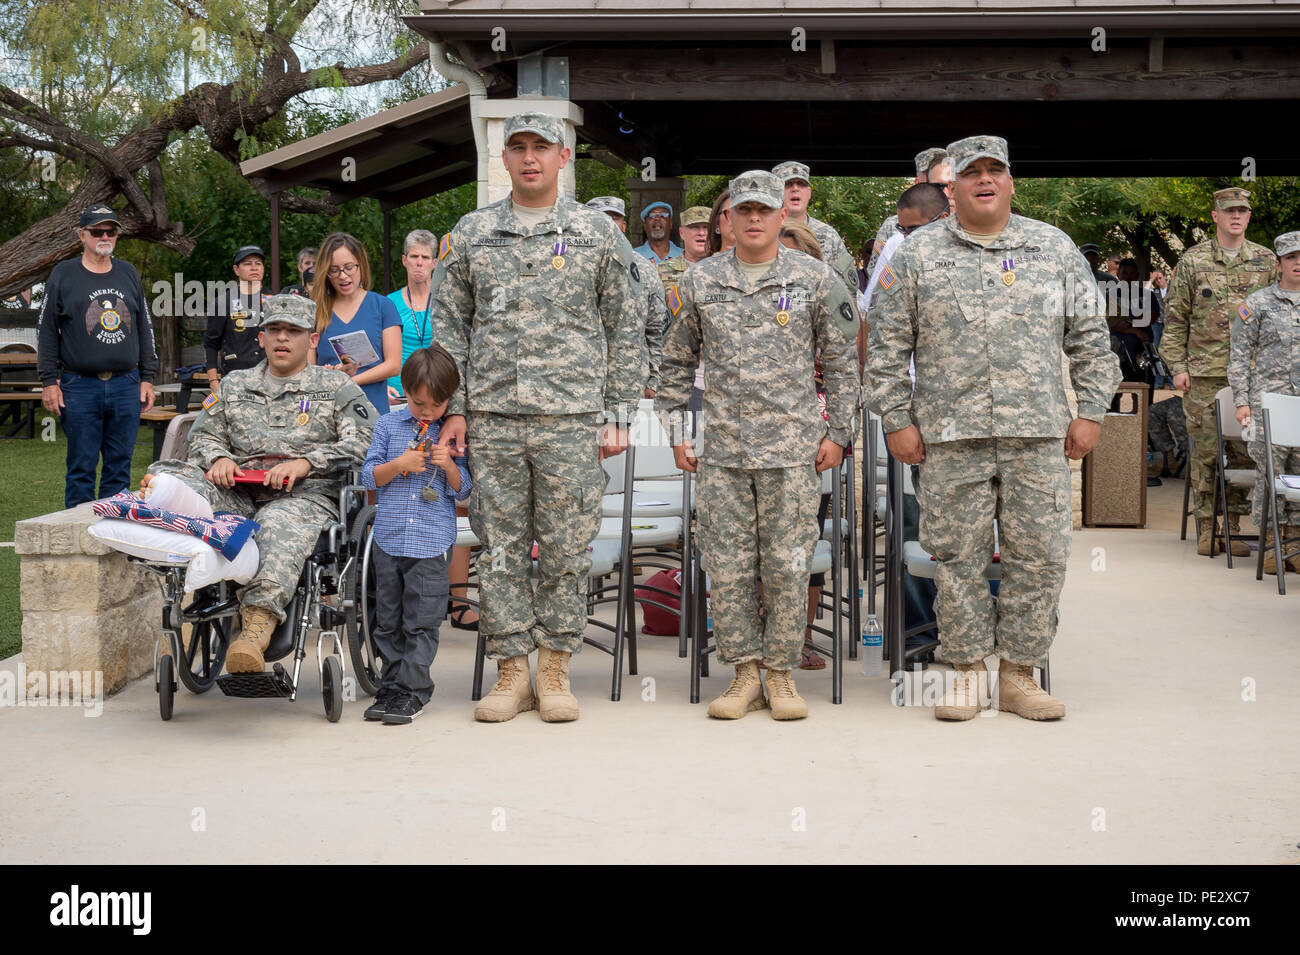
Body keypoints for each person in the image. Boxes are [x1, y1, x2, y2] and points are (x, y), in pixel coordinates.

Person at [869, 135, 1120, 722]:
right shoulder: (916, 254)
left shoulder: (1052, 248)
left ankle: (1019, 675)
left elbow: (1089, 338)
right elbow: (884, 347)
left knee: (1040, 556)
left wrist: (1090, 410)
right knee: (956, 558)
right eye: (971, 172)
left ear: (1011, 182)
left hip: (1037, 433)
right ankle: (964, 672)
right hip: (949, 436)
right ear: (950, 188)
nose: (985, 180)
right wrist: (896, 419)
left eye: (995, 171)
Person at [431, 111, 642, 724]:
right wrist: (457, 409)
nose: (529, 158)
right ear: (504, 160)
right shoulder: (470, 233)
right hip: (493, 416)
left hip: (572, 417)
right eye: (517, 147)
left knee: (565, 548)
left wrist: (620, 413)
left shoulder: (596, 233)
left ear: (563, 158)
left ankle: (554, 667)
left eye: (541, 148)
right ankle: (511, 669)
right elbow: (449, 328)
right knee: (499, 547)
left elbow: (624, 324)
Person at [658, 170, 860, 720]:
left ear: (781, 217)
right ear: (727, 219)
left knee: (789, 564)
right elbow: (674, 363)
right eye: (743, 210)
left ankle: (781, 673)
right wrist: (678, 433)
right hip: (721, 450)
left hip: (793, 450)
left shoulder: (814, 278)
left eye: (764, 210)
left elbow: (843, 362)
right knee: (726, 565)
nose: (753, 218)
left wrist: (838, 432)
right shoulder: (700, 282)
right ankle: (744, 672)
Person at [147, 294, 374, 672]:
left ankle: (255, 630)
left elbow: (366, 440)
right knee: (170, 479)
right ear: (262, 337)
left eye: (293, 331)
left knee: (274, 525)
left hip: (304, 495)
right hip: (238, 490)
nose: (282, 339)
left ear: (312, 340)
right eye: (275, 330)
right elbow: (203, 436)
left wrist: (307, 462)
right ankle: (183, 604)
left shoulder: (334, 387)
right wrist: (218, 458)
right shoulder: (235, 385)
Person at [1160, 186, 1277, 556]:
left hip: (1252, 376)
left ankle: (1235, 528)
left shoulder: (1266, 261)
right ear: (1215, 216)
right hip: (1203, 374)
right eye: (1229, 211)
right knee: (1207, 452)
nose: (1236, 216)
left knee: (1245, 451)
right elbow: (1175, 319)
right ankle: (1208, 528)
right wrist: (1177, 367)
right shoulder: (1193, 262)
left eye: (1242, 210)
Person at [359, 344, 472, 723]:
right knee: (386, 618)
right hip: (388, 538)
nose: (426, 412)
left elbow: (465, 491)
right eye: (418, 403)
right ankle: (390, 685)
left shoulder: (452, 434)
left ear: (449, 400)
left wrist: (450, 467)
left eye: (436, 405)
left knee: (421, 619)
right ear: (404, 391)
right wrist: (400, 464)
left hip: (430, 542)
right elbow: (367, 475)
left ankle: (414, 690)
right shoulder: (388, 425)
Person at [38, 204, 158, 509]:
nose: (105, 236)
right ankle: (78, 545)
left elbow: (143, 325)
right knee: (81, 467)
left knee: (119, 468)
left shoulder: (127, 272)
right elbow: (47, 329)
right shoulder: (64, 274)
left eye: (111, 231)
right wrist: (49, 381)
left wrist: (147, 377)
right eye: (97, 231)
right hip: (79, 385)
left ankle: (112, 541)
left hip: (125, 383)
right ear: (82, 235)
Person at [1228, 230, 1300, 574]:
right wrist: (1241, 401)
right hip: (1268, 403)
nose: (1298, 263)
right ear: (1279, 263)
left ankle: (1296, 545)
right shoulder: (1257, 303)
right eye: (1292, 258)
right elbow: (1240, 356)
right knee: (1272, 474)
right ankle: (1272, 546)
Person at [586, 195, 668, 397]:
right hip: (582, 384)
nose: (608, 224)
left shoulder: (644, 269)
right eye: (600, 218)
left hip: (630, 386)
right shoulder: (569, 267)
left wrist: (654, 379)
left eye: (614, 218)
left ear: (623, 225)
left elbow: (656, 329)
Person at [312, 231, 402, 414]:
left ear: (360, 265)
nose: (343, 276)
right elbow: (307, 369)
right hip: (329, 412)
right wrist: (331, 374)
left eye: (349, 267)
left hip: (373, 411)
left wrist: (349, 381)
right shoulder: (315, 311)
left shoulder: (383, 306)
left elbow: (393, 365)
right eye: (334, 270)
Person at [772, 160, 859, 295]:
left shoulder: (829, 235)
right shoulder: (763, 233)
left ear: (809, 193)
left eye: (801, 184)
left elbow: (850, 289)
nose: (795, 188)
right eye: (788, 184)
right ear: (775, 191)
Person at [865, 147, 950, 277]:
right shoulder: (893, 226)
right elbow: (877, 274)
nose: (946, 191)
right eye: (937, 185)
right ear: (917, 182)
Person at [204, 245, 269, 390]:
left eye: (258, 263)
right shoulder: (223, 302)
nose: (254, 268)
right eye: (247, 264)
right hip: (235, 379)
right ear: (236, 270)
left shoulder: (275, 300)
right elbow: (211, 343)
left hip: (272, 378)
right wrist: (213, 380)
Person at [386, 230, 438, 401]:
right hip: (397, 394)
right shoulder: (389, 303)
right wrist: (382, 386)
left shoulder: (445, 303)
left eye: (426, 257)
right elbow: (377, 352)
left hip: (436, 392)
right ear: (404, 260)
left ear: (435, 263)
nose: (420, 263)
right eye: (414, 256)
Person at [657, 205, 712, 288]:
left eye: (706, 228)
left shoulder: (726, 269)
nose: (701, 233)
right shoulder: (661, 271)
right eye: (695, 227)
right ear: (682, 233)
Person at [707, 189, 734, 255]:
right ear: (717, 223)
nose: (737, 220)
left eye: (744, 213)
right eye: (730, 214)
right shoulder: (703, 265)